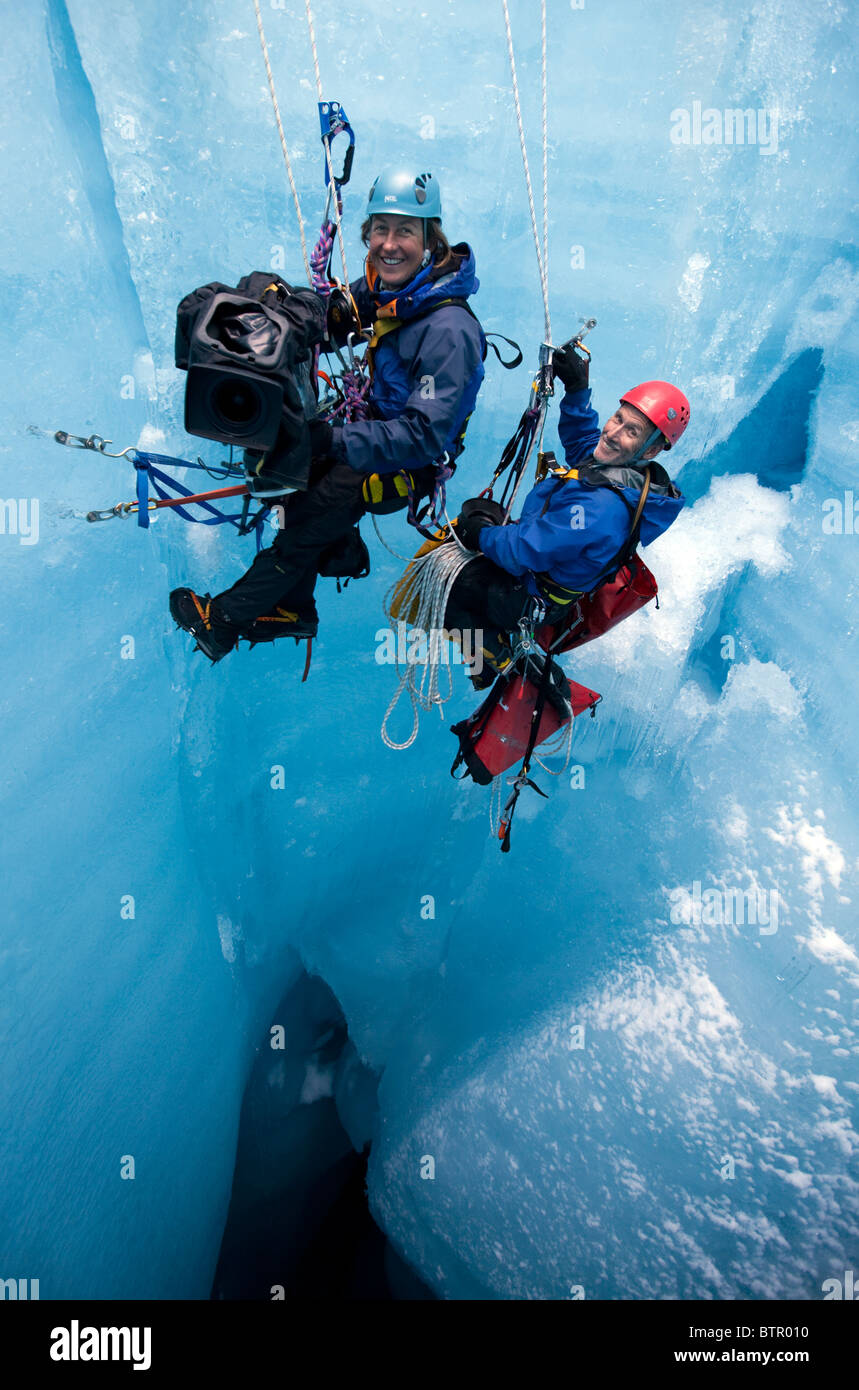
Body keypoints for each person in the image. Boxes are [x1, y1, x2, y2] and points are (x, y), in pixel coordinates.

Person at [170, 167, 486, 662]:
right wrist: (286, 310)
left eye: (405, 230)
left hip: (407, 465)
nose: (389, 243)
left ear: (430, 239)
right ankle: (297, 600)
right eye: (380, 228)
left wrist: (329, 442)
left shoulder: (448, 330)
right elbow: (337, 313)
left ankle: (225, 622)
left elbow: (424, 435)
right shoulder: (394, 291)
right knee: (294, 476)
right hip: (369, 432)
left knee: (319, 499)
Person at [444, 345, 689, 683]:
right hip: (543, 562)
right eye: (618, 418)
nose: (613, 433)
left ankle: (496, 660)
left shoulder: (599, 511)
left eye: (631, 431)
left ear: (651, 449)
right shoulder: (628, 473)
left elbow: (524, 551)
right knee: (488, 540)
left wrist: (480, 535)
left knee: (453, 591)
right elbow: (583, 448)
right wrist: (576, 391)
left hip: (530, 595)